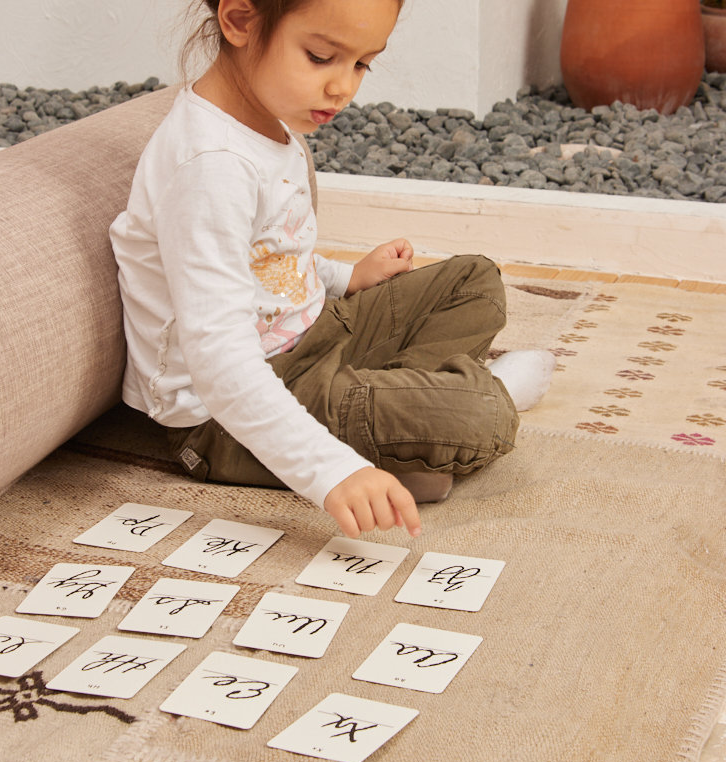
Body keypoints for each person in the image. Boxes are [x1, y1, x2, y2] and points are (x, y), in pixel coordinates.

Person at [110, 0, 555, 541]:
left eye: (362, 64)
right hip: (225, 417)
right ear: (241, 21)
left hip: (317, 336)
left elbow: (270, 258)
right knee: (480, 414)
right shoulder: (211, 168)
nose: (344, 88)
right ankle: (433, 419)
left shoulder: (269, 121)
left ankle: (400, 424)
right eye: (322, 57)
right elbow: (221, 363)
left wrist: (347, 278)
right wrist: (331, 471)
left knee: (474, 281)